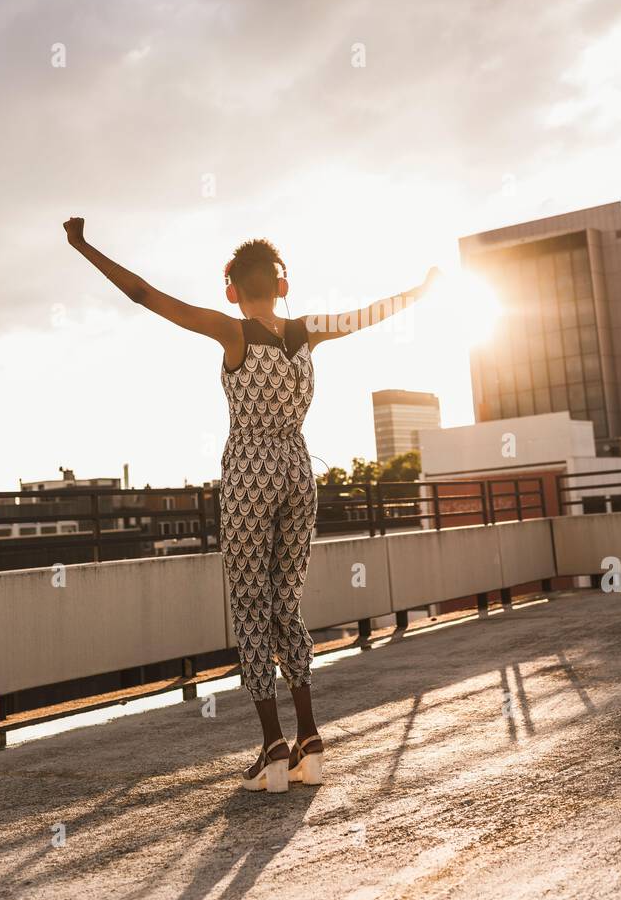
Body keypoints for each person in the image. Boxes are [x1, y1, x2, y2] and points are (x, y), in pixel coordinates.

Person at [63, 217, 438, 793]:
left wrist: (84, 245)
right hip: (298, 470)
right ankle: (309, 738)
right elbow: (369, 314)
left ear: (233, 289)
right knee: (287, 602)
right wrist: (419, 291)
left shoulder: (232, 332)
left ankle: (271, 748)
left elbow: (144, 295)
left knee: (249, 607)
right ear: (282, 286)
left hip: (250, 473)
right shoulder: (307, 331)